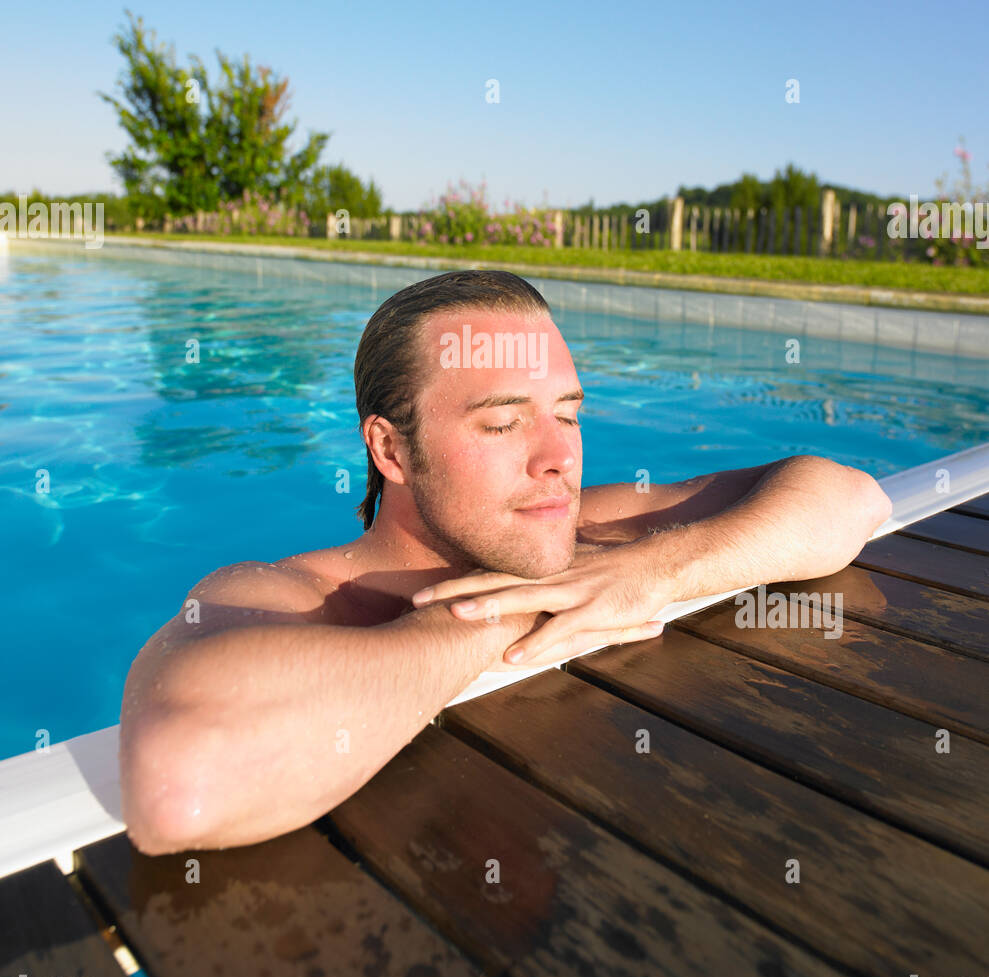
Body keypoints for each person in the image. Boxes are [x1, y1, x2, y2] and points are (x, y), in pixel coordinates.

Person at [119, 269, 892, 855]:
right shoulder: (287, 595)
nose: (559, 458)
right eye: (500, 424)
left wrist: (658, 572)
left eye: (567, 414)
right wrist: (514, 607)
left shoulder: (595, 536)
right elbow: (177, 789)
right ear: (391, 448)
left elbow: (851, 498)